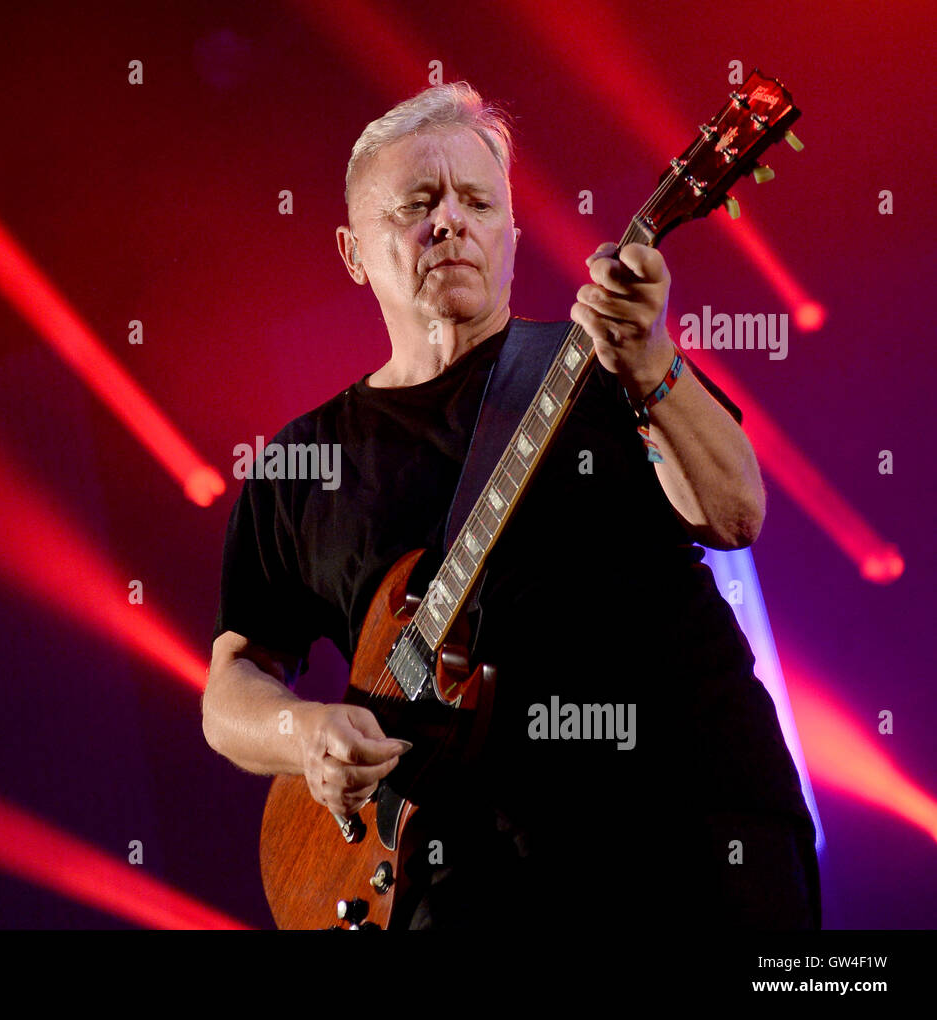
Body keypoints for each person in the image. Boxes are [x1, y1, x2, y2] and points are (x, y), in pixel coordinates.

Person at [202, 82, 819, 930]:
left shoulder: (605, 363)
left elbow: (733, 512)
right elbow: (231, 687)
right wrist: (303, 735)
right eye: (417, 204)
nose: (450, 221)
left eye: (477, 201)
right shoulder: (303, 462)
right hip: (457, 880)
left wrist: (650, 360)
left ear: (512, 236)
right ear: (351, 251)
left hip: (684, 832)